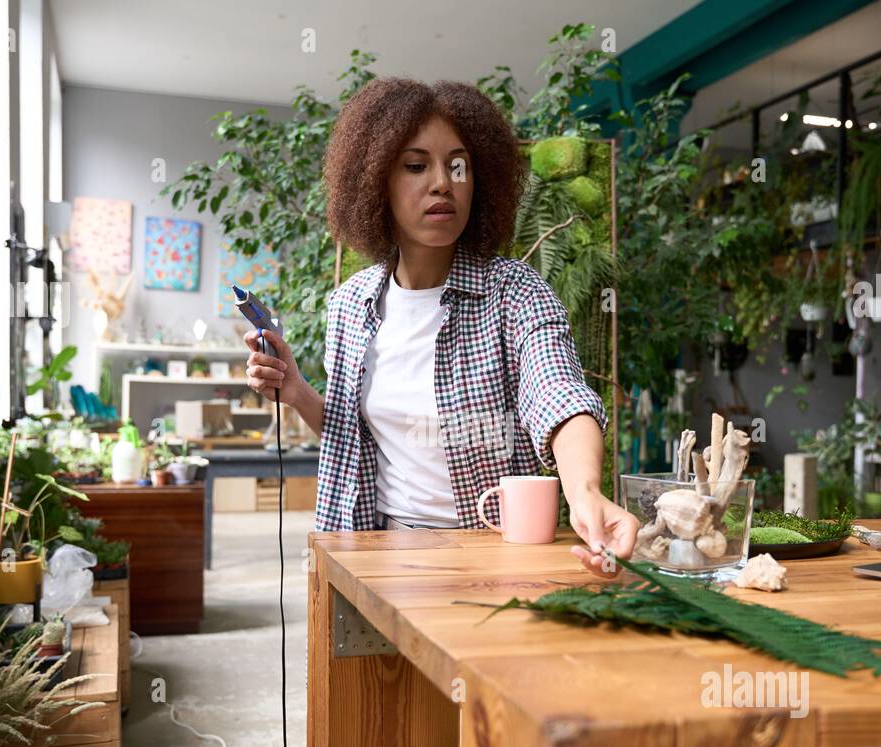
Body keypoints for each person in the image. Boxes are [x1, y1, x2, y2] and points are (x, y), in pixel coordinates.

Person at [244, 77, 637, 577]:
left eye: (458, 166)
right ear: (375, 182)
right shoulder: (349, 305)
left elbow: (557, 391)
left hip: (492, 554)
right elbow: (354, 437)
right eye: (415, 166)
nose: (442, 183)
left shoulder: (513, 292)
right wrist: (298, 392)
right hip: (372, 546)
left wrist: (585, 492)